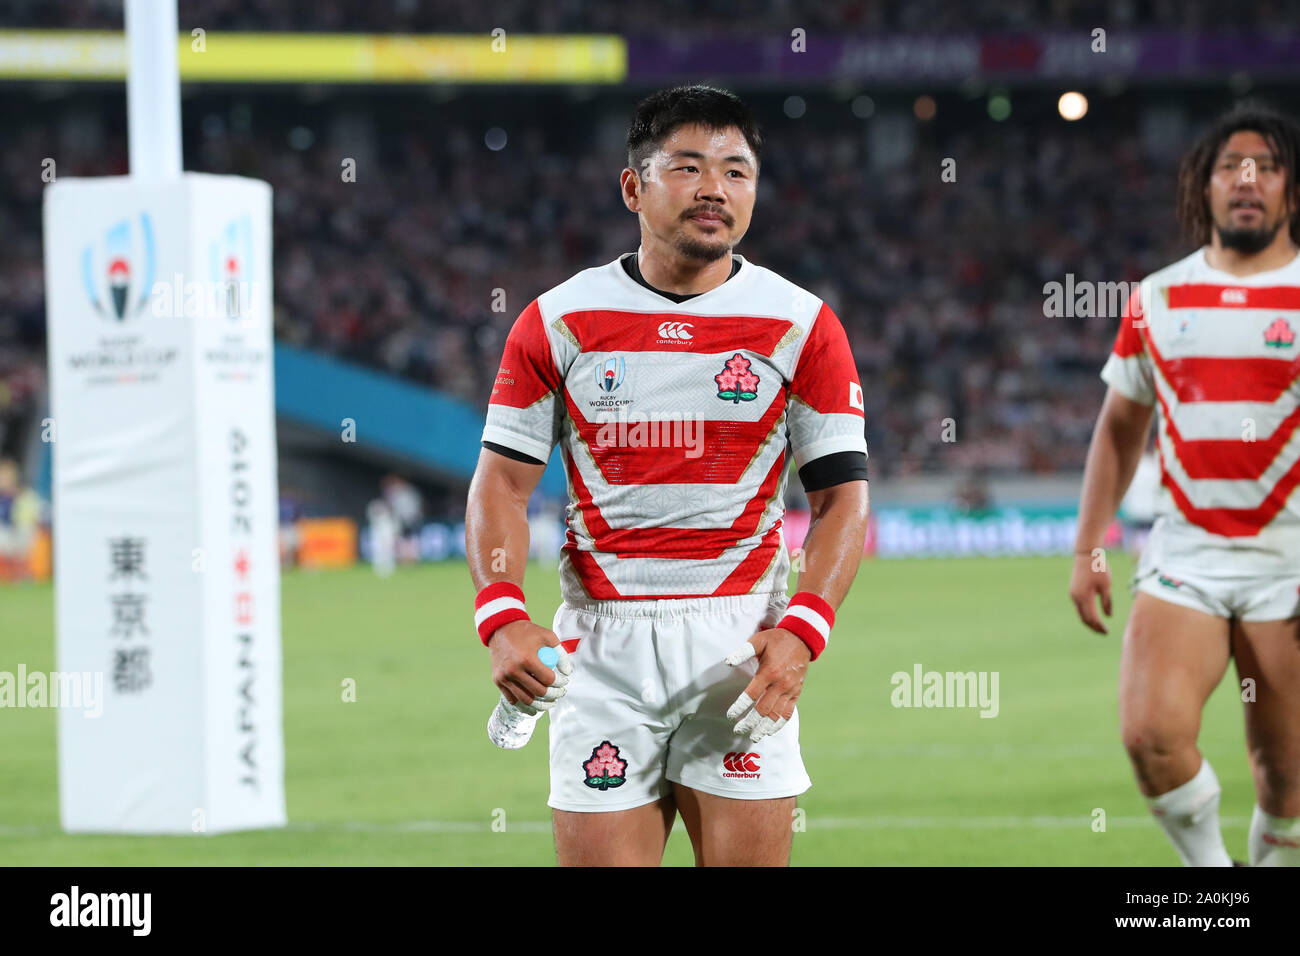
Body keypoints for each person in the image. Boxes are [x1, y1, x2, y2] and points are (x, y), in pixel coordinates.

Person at [465, 85, 870, 866]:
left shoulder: (803, 325)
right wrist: (501, 613)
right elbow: (502, 484)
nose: (715, 188)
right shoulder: (558, 320)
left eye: (736, 171)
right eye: (687, 167)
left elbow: (841, 500)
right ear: (633, 187)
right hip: (600, 646)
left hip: (740, 644)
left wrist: (803, 633)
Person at [1070, 104, 1300, 867]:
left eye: (1266, 166)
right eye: (1229, 166)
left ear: (1290, 191)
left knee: (1287, 777)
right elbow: (1119, 428)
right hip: (1187, 555)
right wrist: (1088, 549)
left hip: (1291, 564)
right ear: (1201, 187)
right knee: (1151, 737)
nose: (1247, 180)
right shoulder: (1158, 297)